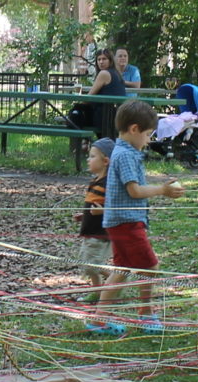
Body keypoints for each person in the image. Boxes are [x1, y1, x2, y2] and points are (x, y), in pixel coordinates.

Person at [93, 98, 187, 335]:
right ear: (134, 129)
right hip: (126, 222)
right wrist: (162, 191)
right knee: (151, 266)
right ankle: (146, 313)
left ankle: (98, 319)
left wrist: (158, 187)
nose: (148, 140)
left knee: (122, 270)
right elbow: (133, 190)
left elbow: (132, 186)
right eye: (147, 134)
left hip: (120, 222)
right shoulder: (125, 155)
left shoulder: (125, 152)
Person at [77, 138, 119, 300]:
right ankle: (97, 292)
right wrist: (84, 215)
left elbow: (115, 207)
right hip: (90, 231)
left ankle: (117, 280)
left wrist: (104, 211)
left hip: (100, 233)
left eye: (92, 156)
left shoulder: (109, 183)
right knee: (88, 262)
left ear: (106, 161)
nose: (88, 159)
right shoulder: (96, 181)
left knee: (91, 265)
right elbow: (95, 206)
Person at [87, 47, 127, 139]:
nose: (101, 62)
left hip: (107, 116)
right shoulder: (117, 73)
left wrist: (79, 103)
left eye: (104, 59)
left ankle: (83, 144)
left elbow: (88, 98)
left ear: (110, 60)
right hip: (118, 114)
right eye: (99, 59)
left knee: (76, 114)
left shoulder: (104, 74)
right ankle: (86, 143)